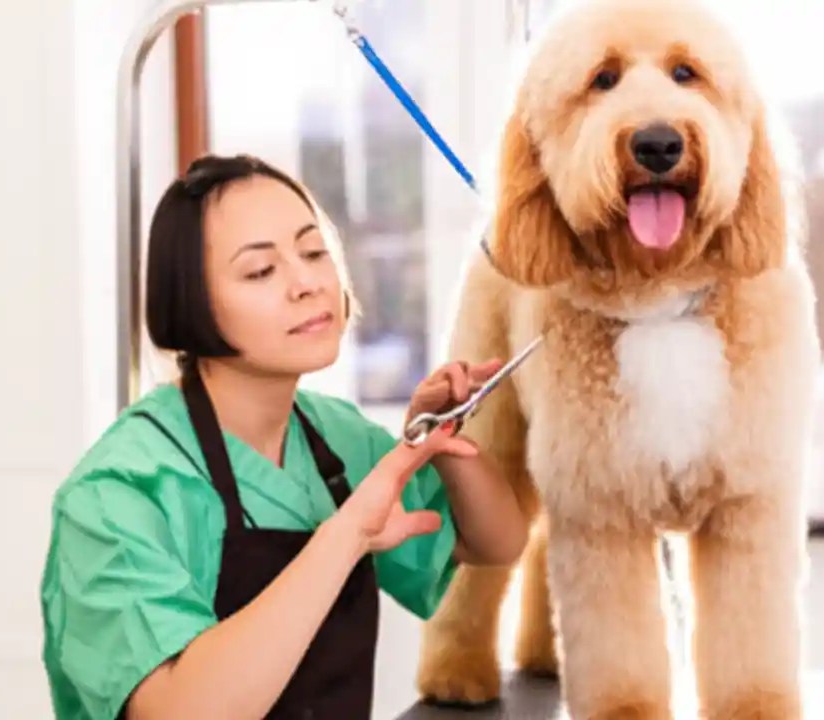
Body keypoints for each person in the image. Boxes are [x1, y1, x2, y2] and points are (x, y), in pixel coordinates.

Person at [39, 153, 529, 720]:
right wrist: (344, 535)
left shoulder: (332, 439)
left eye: (314, 251)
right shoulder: (114, 495)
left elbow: (496, 544)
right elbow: (182, 711)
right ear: (189, 300)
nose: (307, 283)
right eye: (260, 271)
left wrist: (441, 436)